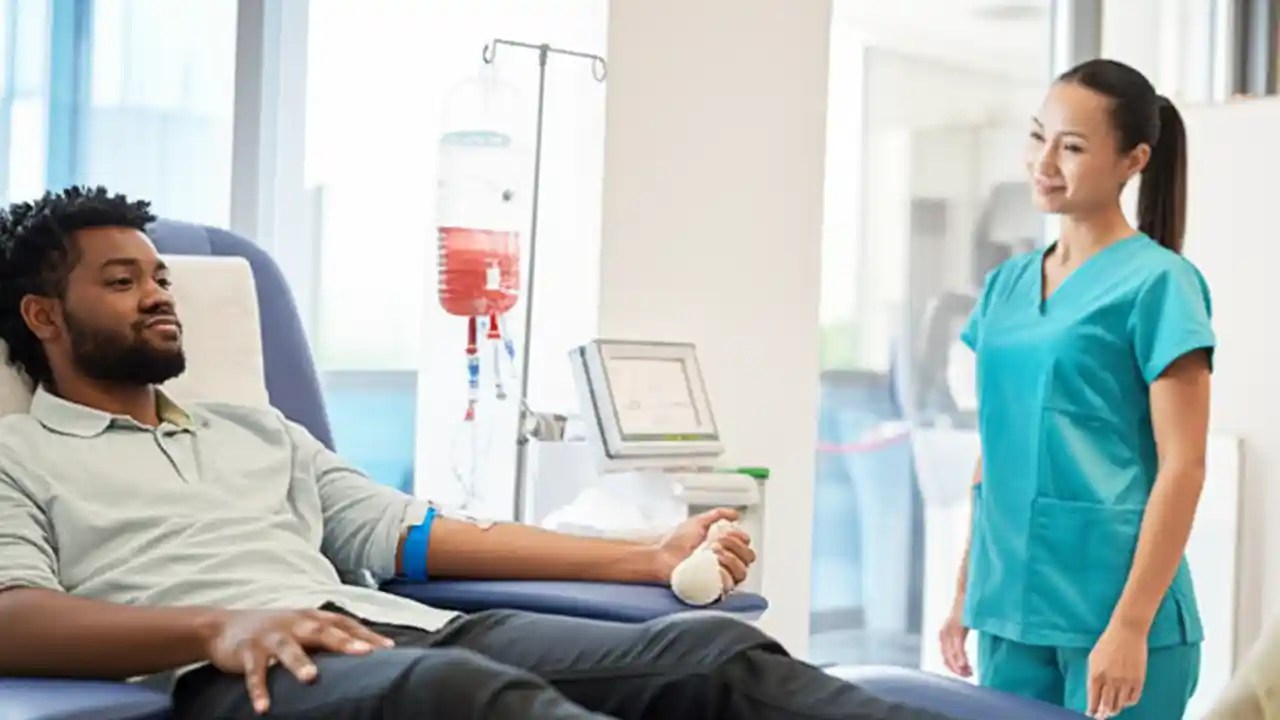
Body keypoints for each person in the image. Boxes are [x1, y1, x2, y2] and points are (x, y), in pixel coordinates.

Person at [0, 186, 955, 720]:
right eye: (123, 282)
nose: (159, 295)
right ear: (44, 317)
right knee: (462, 697)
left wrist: (648, 558)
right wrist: (214, 630)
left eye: (161, 277)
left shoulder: (256, 430)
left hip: (391, 625)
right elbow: (12, 617)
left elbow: (408, 532)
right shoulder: (18, 453)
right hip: (246, 674)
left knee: (706, 652)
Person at [937, 58, 1214, 720]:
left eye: (1074, 146)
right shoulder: (1006, 285)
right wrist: (964, 589)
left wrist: (1130, 626)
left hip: (1114, 613)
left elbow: (1184, 465)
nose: (1045, 161)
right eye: (1038, 137)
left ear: (1133, 160)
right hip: (1010, 612)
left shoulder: (1160, 284)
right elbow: (995, 451)